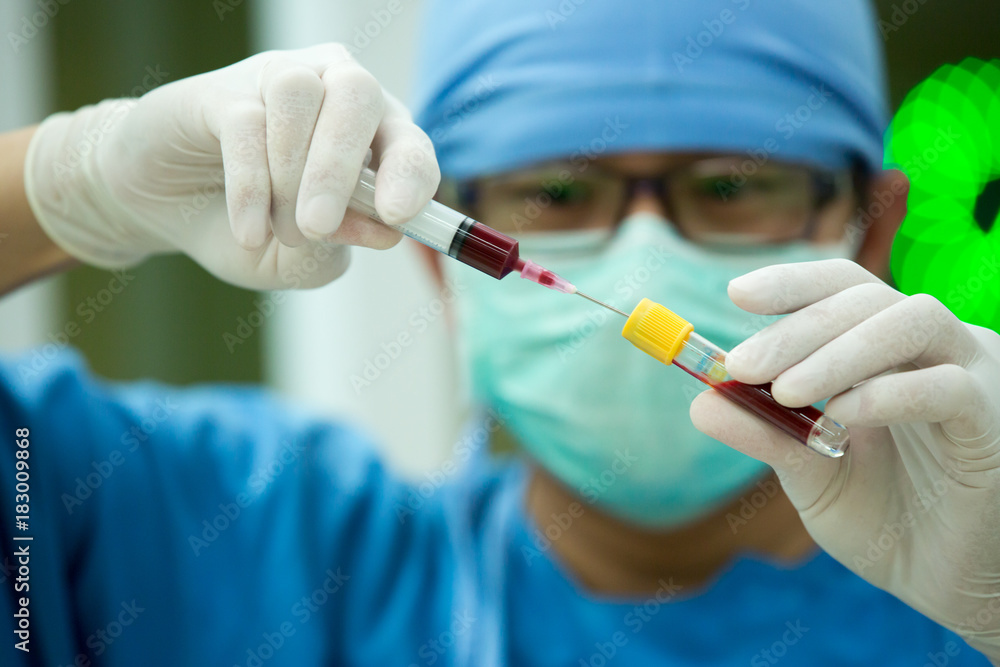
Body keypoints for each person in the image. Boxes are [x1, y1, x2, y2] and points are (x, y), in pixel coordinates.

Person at [1, 1, 999, 665]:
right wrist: (68, 185)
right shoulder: (257, 550)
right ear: (439, 253)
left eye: (732, 186)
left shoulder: (966, 582)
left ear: (869, 230)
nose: (640, 253)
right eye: (557, 190)